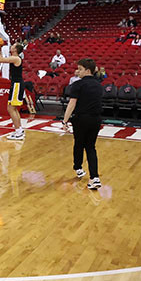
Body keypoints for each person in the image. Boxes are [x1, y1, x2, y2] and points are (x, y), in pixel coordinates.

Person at [61, 58, 103, 189]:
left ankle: (78, 168)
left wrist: (65, 120)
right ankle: (94, 177)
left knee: (78, 144)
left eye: (80, 69)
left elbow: (72, 103)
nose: (77, 71)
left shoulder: (77, 85)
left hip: (81, 119)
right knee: (91, 147)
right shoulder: (98, 85)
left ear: (87, 70)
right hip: (96, 119)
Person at [0, 41, 26, 139]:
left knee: (11, 108)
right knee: (13, 108)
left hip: (17, 84)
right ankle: (19, 129)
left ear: (15, 49)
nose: (11, 46)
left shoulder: (15, 58)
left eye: (13, 46)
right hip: (16, 83)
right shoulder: (15, 58)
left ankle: (18, 131)